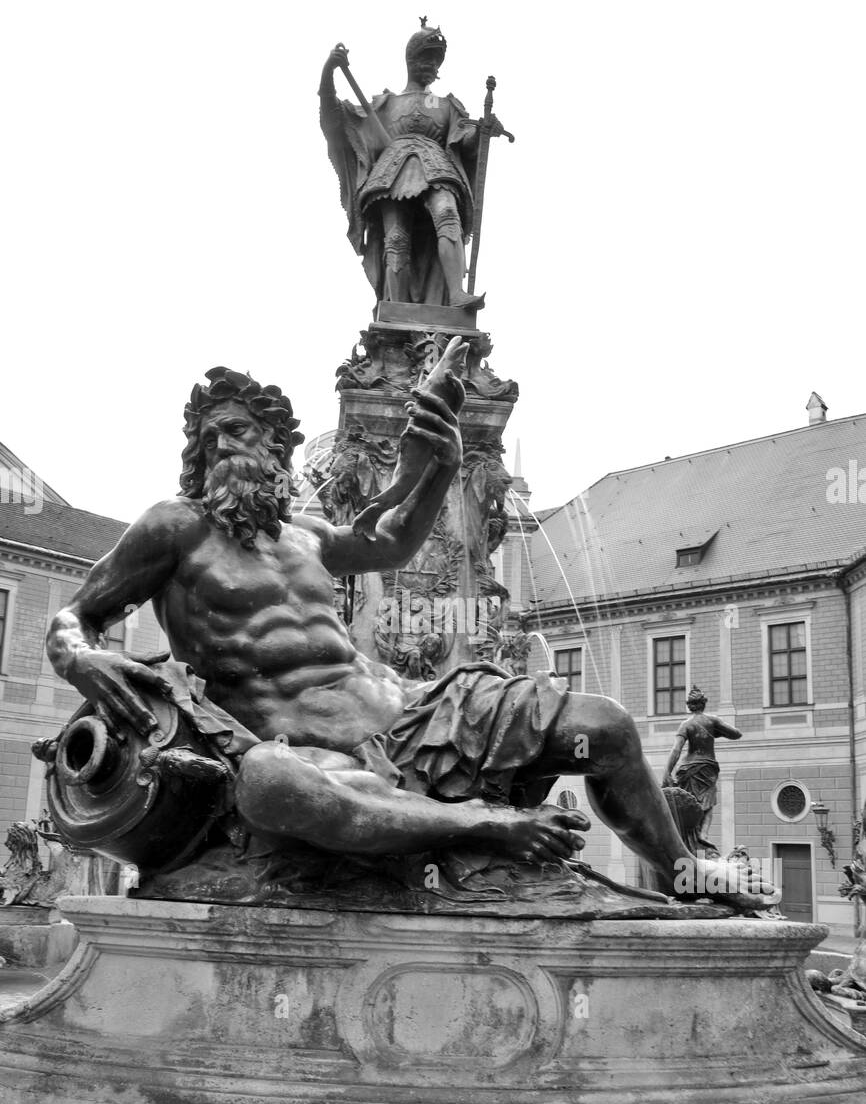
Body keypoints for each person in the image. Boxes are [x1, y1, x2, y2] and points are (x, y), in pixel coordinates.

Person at [45, 367, 775, 908]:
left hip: (417, 714)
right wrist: (81, 658)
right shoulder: (174, 528)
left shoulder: (305, 534)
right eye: (207, 440)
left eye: (237, 430)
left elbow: (392, 540)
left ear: (275, 447)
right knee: (270, 787)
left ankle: (686, 872)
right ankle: (481, 825)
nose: (220, 445)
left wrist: (445, 464)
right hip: (310, 750)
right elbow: (75, 616)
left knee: (606, 726)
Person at [319, 23, 503, 309]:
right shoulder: (385, 103)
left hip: (437, 167)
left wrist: (482, 131)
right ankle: (397, 307)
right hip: (391, 172)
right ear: (410, 59)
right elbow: (335, 121)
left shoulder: (446, 104)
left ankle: (456, 293)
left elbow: (464, 142)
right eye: (425, 58)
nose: (431, 65)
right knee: (396, 237)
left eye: (435, 61)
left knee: (447, 213)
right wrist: (328, 73)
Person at [663, 686, 741, 847]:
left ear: (690, 705)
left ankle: (688, 837)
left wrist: (667, 771)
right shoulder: (712, 720)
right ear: (703, 704)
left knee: (691, 803)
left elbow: (676, 749)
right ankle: (703, 834)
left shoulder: (686, 724)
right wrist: (716, 732)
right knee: (708, 801)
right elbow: (736, 733)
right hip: (707, 766)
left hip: (688, 768)